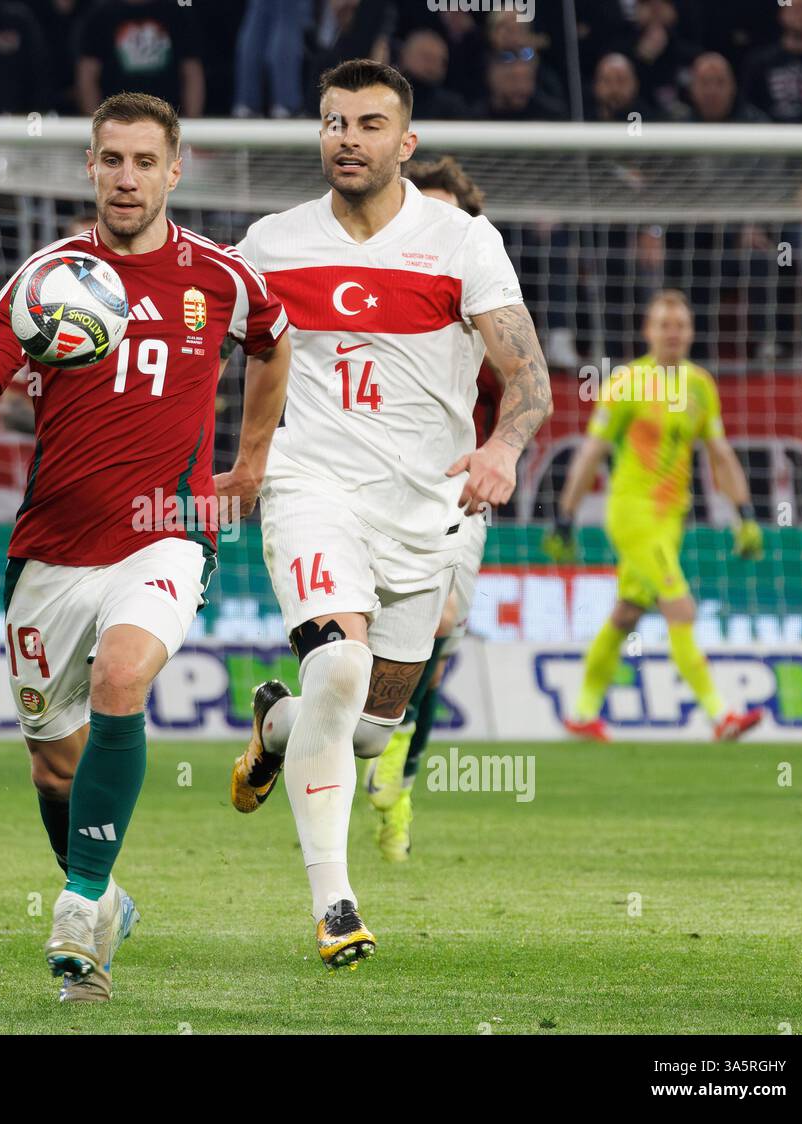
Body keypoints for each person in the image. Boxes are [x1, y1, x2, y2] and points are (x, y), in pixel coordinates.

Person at [0, 93, 290, 1002]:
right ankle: (106, 897)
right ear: (89, 167)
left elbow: (273, 343)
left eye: (144, 161)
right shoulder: (46, 278)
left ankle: (76, 909)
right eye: (111, 160)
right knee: (53, 764)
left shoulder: (222, 278)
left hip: (166, 532)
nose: (127, 178)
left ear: (175, 170)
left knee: (122, 678)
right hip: (52, 546)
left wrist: (250, 464)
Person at [227, 59, 552, 968]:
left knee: (369, 730)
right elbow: (199, 341)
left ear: (405, 143)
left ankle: (275, 726)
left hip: (425, 511)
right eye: (335, 122)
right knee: (338, 666)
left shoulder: (463, 243)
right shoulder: (271, 245)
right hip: (312, 489)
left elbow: (527, 376)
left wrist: (502, 449)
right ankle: (334, 903)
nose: (349, 139)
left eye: (370, 125)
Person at [544, 291, 765, 742]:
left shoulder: (700, 386)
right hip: (633, 515)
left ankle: (582, 713)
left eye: (680, 325)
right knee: (680, 607)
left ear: (691, 332)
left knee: (627, 613)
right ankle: (721, 715)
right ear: (648, 331)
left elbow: (720, 454)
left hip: (671, 519)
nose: (673, 333)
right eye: (664, 325)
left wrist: (744, 514)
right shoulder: (626, 383)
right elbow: (592, 453)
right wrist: (565, 516)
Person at [364, 155, 496, 862]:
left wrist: (499, 450)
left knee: (439, 624)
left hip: (456, 487)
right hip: (372, 482)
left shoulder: (489, 303)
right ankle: (364, 754)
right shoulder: (383, 297)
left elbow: (520, 386)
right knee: (364, 641)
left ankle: (397, 779)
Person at [75, 0, 204, 117]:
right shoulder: (100, 14)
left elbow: (192, 72)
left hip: (168, 119)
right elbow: (87, 76)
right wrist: (95, 125)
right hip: (116, 118)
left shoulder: (176, 12)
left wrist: (192, 123)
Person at [743, 0, 802, 123]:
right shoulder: (760, 61)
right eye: (795, 8)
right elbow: (749, 104)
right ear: (781, 13)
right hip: (770, 130)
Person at [397, 29, 468, 120]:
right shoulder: (386, 98)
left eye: (441, 61)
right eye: (427, 58)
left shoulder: (452, 107)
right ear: (405, 56)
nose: (434, 66)